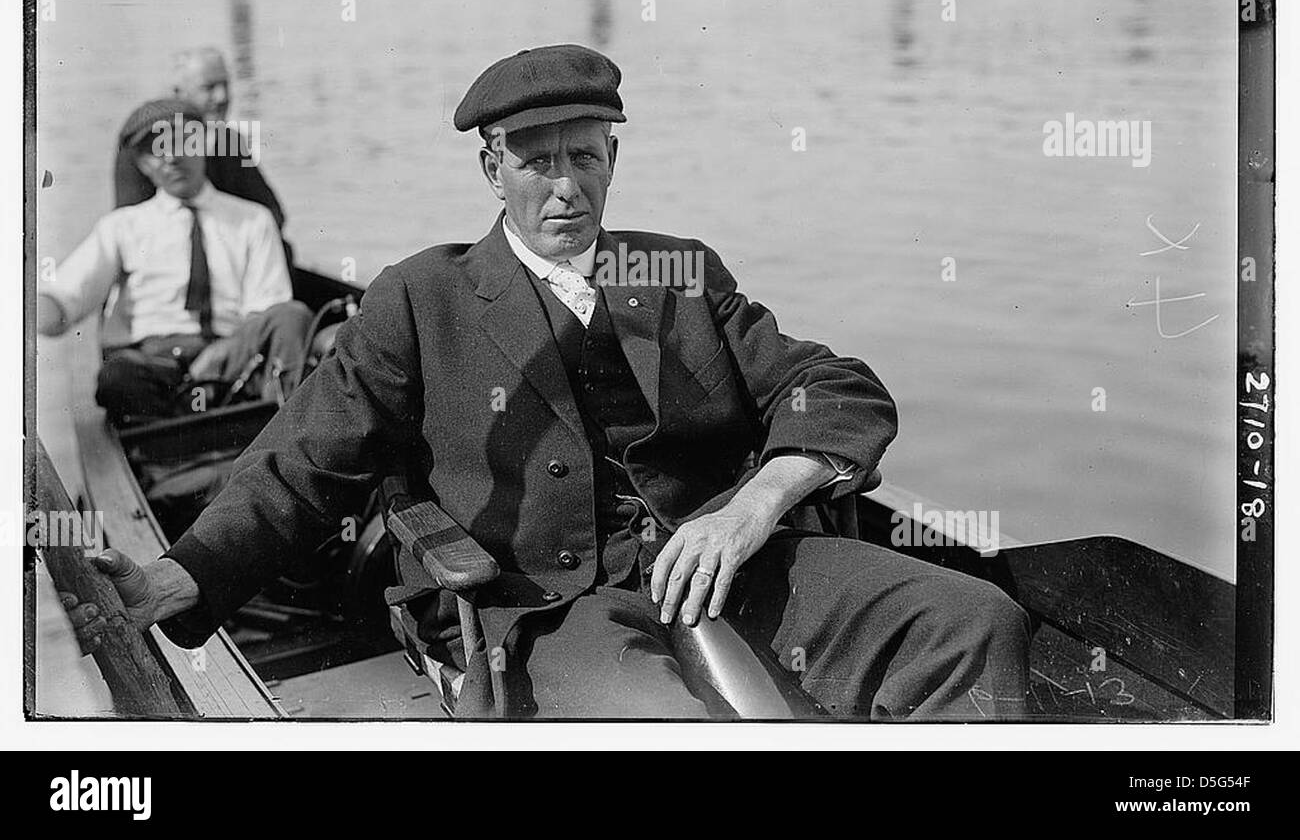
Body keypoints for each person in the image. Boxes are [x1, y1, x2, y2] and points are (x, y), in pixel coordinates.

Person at [69, 45, 1030, 719]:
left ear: (614, 158)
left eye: (584, 157)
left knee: (975, 621)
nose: (564, 187)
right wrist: (177, 575)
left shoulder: (678, 271)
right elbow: (303, 465)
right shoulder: (423, 298)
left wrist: (754, 506)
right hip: (553, 606)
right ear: (493, 170)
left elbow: (835, 387)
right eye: (536, 163)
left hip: (730, 563)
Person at [38, 98, 312, 425]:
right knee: (118, 379)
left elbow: (270, 310)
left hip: (234, 364)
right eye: (155, 149)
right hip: (154, 367)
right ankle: (167, 455)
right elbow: (64, 298)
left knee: (292, 316)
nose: (172, 156)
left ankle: (282, 432)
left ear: (206, 142)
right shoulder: (121, 227)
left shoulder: (253, 220)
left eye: (183, 140)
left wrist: (224, 351)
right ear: (141, 164)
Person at [113, 47, 287, 233]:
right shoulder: (142, 147)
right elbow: (128, 229)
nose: (222, 97)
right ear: (178, 93)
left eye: (225, 85)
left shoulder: (228, 141)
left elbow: (273, 213)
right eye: (208, 88)